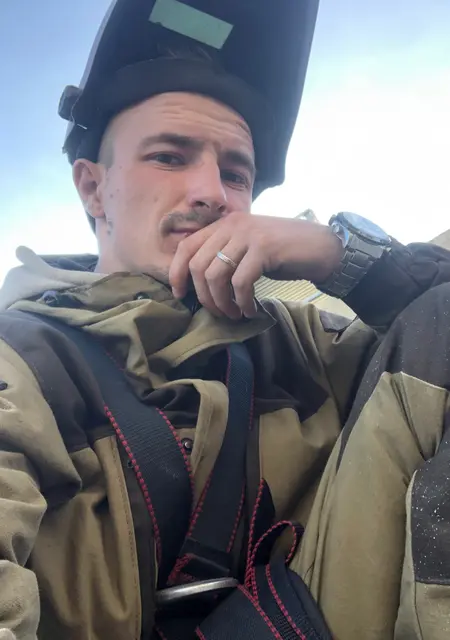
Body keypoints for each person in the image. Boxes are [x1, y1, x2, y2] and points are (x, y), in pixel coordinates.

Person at [1, 2, 450, 639]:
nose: (212, 192)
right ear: (92, 189)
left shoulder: (303, 341)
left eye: (235, 173)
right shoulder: (20, 359)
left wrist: (342, 256)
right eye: (169, 157)